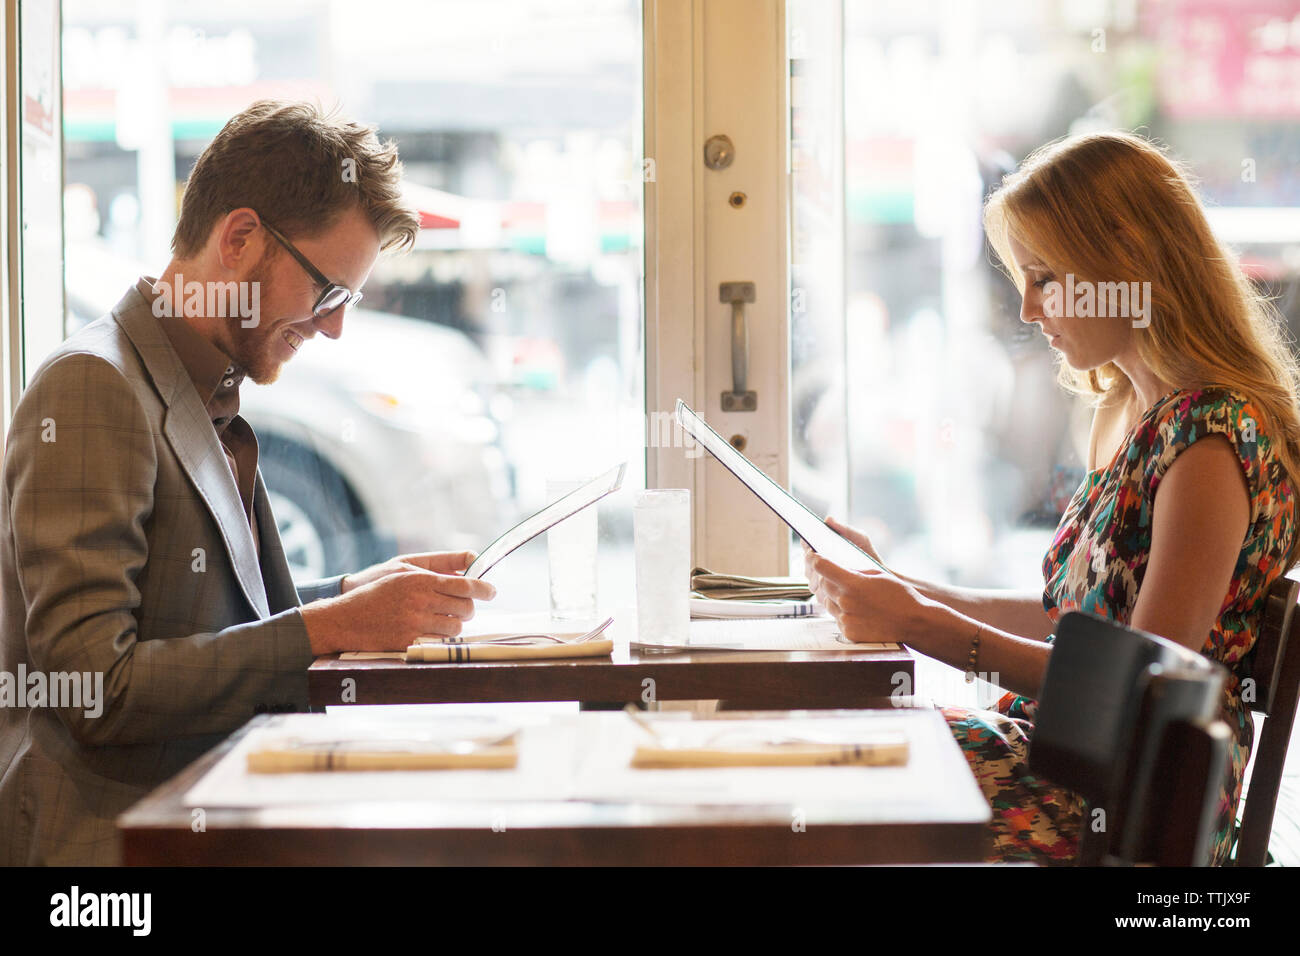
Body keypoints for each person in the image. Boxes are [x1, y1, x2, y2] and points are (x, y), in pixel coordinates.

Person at [0, 100, 496, 865]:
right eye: (328, 292)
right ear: (239, 239)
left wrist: (351, 596)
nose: (333, 327)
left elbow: (201, 617)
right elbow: (97, 685)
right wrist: (333, 629)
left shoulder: (197, 385)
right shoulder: (92, 389)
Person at [806, 131, 1300, 866]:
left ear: (1126, 262)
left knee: (827, 782)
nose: (1031, 308)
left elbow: (1140, 678)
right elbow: (1077, 622)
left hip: (1116, 796)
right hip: (1072, 759)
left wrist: (921, 623)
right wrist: (901, 590)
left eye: (1044, 277)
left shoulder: (1212, 439)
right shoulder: (1140, 414)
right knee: (829, 759)